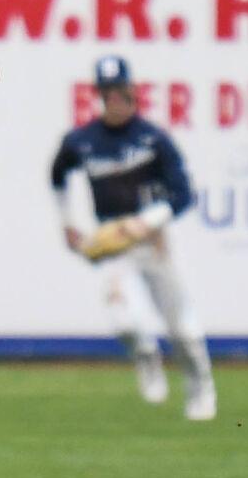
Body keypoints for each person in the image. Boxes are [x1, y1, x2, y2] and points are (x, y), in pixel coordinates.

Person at [50, 55, 216, 421]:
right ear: (99, 94)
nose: (114, 97)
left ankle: (200, 386)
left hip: (153, 241)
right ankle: (147, 358)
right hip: (114, 243)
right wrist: (67, 222)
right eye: (106, 91)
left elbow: (183, 194)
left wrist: (147, 221)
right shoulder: (83, 141)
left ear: (131, 89)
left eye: (118, 89)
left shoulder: (152, 138)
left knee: (182, 328)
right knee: (124, 321)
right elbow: (58, 175)